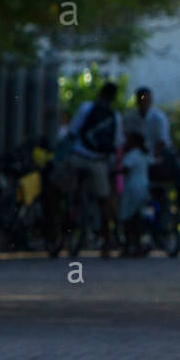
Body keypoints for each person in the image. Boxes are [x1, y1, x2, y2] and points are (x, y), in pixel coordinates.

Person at [65, 82, 123, 256]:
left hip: (78, 157)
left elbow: (72, 131)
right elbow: (117, 143)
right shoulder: (115, 116)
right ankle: (106, 242)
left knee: (67, 193)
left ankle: (62, 234)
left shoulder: (86, 108)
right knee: (104, 200)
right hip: (98, 161)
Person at [124, 86, 180, 219]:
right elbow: (127, 139)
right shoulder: (130, 119)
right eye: (142, 98)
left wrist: (154, 157)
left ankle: (179, 209)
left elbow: (161, 142)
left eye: (147, 98)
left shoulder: (158, 117)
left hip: (159, 155)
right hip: (140, 156)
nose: (145, 101)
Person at [118, 131, 153, 256]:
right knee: (138, 218)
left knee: (127, 219)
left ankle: (128, 245)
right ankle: (138, 245)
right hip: (144, 189)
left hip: (132, 190)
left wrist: (115, 171)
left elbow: (125, 170)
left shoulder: (131, 155)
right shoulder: (144, 155)